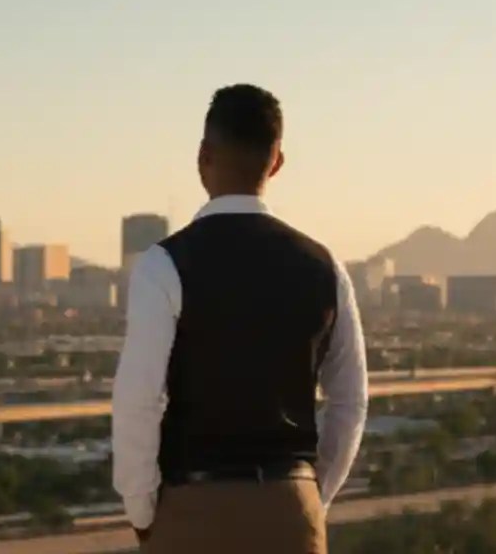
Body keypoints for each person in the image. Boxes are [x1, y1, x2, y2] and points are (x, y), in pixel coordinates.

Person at [112, 84, 368, 553]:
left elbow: (138, 402)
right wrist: (309, 496)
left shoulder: (164, 265)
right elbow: (350, 402)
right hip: (292, 510)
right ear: (277, 163)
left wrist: (143, 513)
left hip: (191, 510)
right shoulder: (326, 268)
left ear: (203, 156)